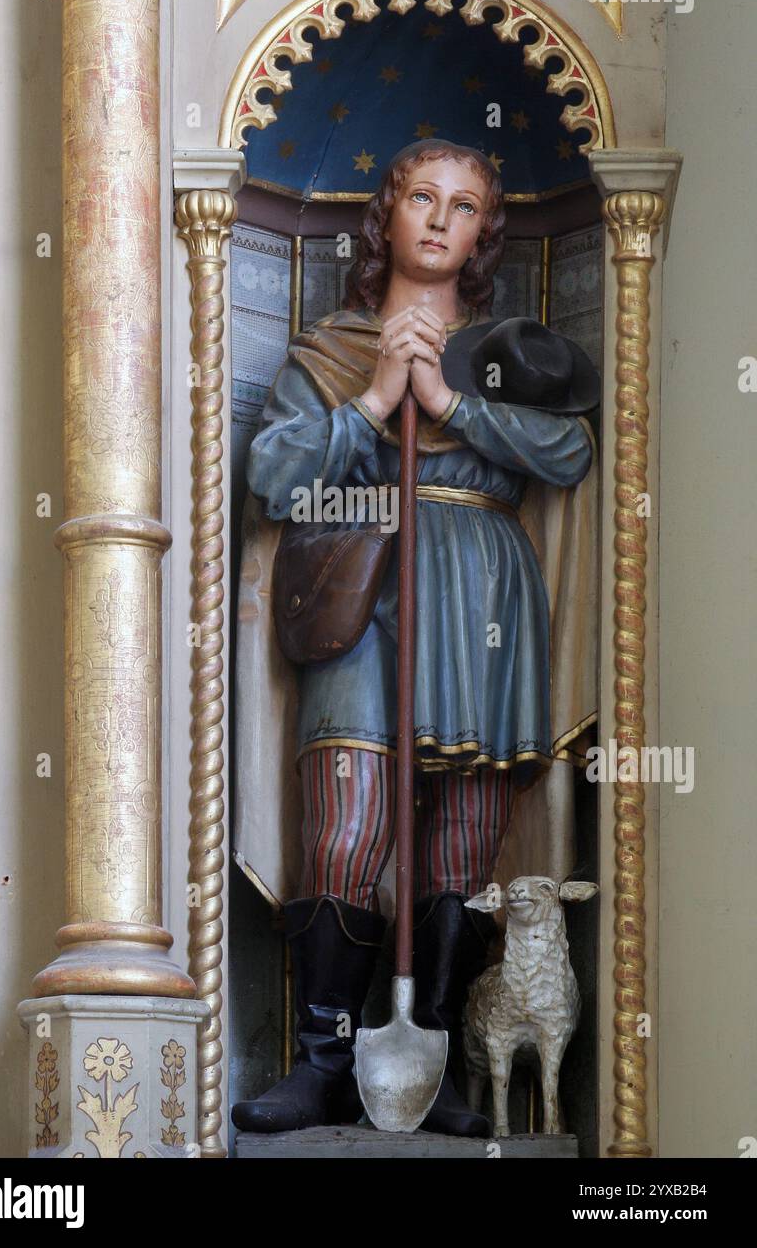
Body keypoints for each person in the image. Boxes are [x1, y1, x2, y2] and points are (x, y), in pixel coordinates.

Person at [231, 139, 597, 1137]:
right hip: (359, 578)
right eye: (420, 198)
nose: (440, 219)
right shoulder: (330, 348)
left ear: (485, 230)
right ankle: (323, 1062)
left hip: (480, 585)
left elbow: (568, 448)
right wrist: (373, 400)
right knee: (345, 822)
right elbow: (273, 478)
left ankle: (427, 1051)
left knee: (466, 830)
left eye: (464, 204)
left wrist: (448, 404)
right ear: (383, 215)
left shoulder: (504, 348)